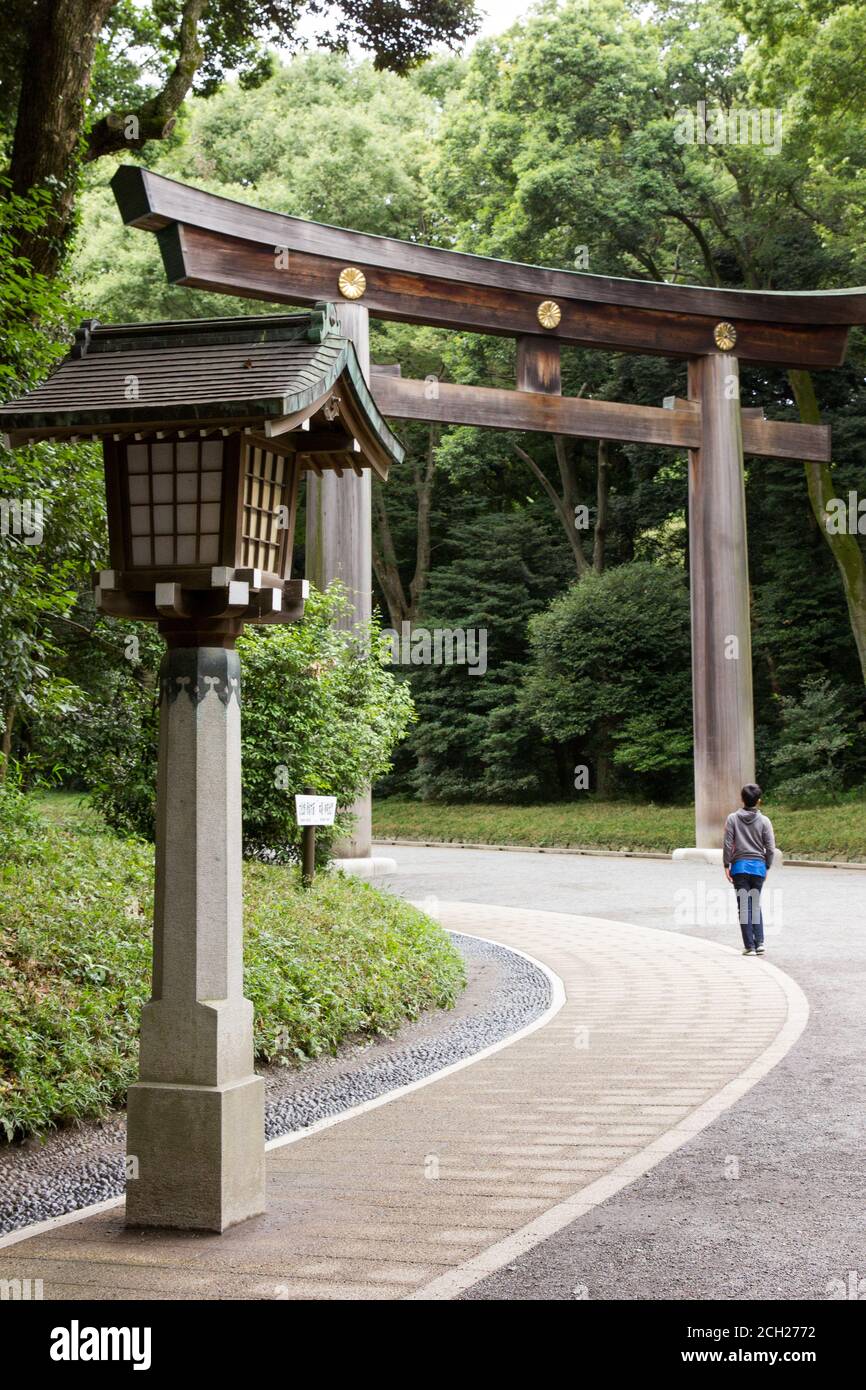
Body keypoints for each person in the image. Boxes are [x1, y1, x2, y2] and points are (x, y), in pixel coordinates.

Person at [723, 783, 776, 957]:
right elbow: (770, 847)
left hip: (739, 867)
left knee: (744, 906)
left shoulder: (732, 818)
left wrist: (726, 865)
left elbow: (728, 844)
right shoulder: (764, 821)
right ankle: (759, 942)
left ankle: (749, 946)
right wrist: (767, 865)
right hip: (758, 867)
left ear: (742, 799)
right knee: (755, 903)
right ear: (759, 801)